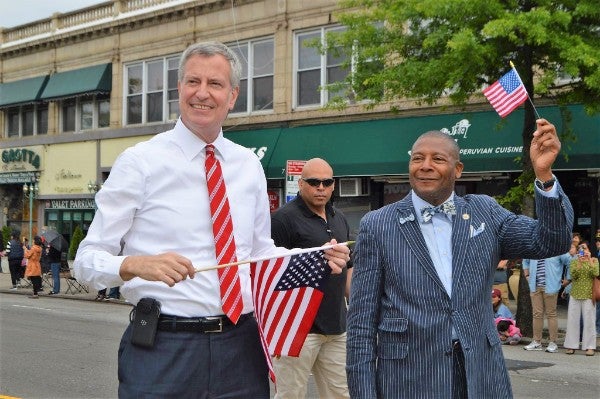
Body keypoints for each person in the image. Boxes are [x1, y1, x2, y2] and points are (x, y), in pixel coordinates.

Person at [73, 41, 349, 399]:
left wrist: (315, 255)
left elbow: (258, 253)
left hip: (241, 345)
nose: (202, 93)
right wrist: (135, 264)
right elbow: (86, 261)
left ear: (232, 96)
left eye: (215, 84)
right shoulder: (139, 161)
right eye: (193, 82)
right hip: (163, 348)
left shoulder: (247, 164)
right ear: (179, 90)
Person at [346, 119, 573, 399]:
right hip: (408, 379)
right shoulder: (378, 225)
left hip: (479, 374)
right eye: (418, 158)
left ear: (458, 170)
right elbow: (360, 324)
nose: (425, 165)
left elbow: (552, 240)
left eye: (437, 159)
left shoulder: (485, 212)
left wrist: (544, 174)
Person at [270, 158, 352, 399]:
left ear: (333, 185)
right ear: (301, 183)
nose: (321, 188)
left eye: (327, 182)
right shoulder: (282, 219)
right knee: (290, 395)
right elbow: (272, 271)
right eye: (314, 182)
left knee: (341, 394)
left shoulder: (339, 218)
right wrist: (316, 261)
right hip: (297, 328)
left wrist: (355, 307)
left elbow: (349, 267)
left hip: (336, 326)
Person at [522, 251, 573, 353]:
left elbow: (570, 262)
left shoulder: (556, 248)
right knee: (537, 314)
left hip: (551, 286)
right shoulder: (534, 247)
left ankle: (553, 342)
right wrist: (527, 275)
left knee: (551, 314)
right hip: (535, 286)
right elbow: (525, 260)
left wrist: (568, 279)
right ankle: (536, 341)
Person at [563, 242, 599, 356]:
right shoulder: (574, 261)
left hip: (588, 294)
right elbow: (573, 275)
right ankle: (571, 345)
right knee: (572, 320)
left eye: (585, 248)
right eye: (580, 249)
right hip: (575, 293)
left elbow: (596, 273)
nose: (583, 251)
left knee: (589, 321)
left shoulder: (594, 261)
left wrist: (588, 260)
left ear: (589, 250)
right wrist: (579, 262)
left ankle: (590, 347)